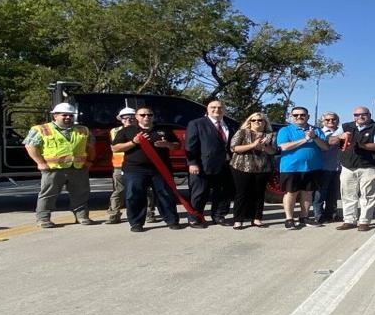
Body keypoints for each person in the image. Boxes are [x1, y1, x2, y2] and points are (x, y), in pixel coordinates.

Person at [23, 102, 98, 228]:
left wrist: (90, 161)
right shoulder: (41, 129)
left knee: (81, 193)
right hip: (53, 169)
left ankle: (82, 216)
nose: (68, 117)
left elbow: (91, 147)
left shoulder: (83, 130)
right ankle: (43, 219)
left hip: (78, 168)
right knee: (48, 194)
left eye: (70, 115)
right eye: (64, 115)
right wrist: (40, 163)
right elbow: (30, 146)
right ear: (55, 116)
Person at [110, 106, 183, 232]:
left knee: (165, 195)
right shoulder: (127, 131)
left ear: (153, 116)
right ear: (137, 117)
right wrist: (134, 142)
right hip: (135, 170)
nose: (146, 117)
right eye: (143, 115)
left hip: (160, 169)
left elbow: (177, 146)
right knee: (134, 196)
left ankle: (172, 220)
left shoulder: (163, 130)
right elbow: (115, 148)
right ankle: (136, 223)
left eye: (149, 115)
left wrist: (167, 144)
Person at [333, 106, 375, 232]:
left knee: (367, 195)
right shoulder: (346, 126)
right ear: (353, 116)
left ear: (369, 115)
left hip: (369, 166)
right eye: (357, 115)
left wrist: (359, 145)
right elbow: (331, 140)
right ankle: (349, 220)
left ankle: (364, 221)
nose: (360, 117)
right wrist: (340, 137)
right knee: (347, 194)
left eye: (363, 114)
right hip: (348, 166)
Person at [274, 106, 329, 230]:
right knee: (291, 193)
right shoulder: (285, 130)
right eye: (296, 115)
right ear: (291, 116)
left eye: (302, 115)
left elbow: (325, 147)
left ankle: (304, 217)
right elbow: (284, 147)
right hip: (291, 168)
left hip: (312, 168)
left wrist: (314, 137)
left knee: (308, 193)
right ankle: (289, 219)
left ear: (308, 116)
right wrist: (305, 139)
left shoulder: (316, 130)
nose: (299, 117)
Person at [183, 98, 235, 227]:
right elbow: (190, 146)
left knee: (223, 193)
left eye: (220, 107)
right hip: (202, 165)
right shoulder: (196, 123)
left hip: (224, 165)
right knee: (199, 193)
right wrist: (192, 163)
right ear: (207, 109)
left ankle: (219, 216)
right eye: (213, 107)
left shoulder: (229, 124)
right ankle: (195, 218)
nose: (217, 110)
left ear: (224, 109)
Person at [228, 113, 276, 229]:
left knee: (259, 194)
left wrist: (265, 146)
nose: (257, 122)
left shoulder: (270, 135)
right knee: (242, 194)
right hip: (242, 166)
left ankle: (257, 218)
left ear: (265, 122)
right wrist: (253, 145)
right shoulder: (242, 132)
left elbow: (273, 151)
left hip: (262, 168)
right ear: (249, 122)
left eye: (260, 120)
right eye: (254, 120)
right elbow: (234, 148)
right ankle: (238, 220)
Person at [311, 111, 342, 225]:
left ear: (337, 121)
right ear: (323, 121)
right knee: (319, 194)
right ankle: (318, 215)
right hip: (322, 167)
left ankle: (332, 214)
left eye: (333, 119)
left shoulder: (342, 131)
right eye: (327, 120)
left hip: (338, 167)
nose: (331, 121)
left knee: (333, 194)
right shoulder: (318, 132)